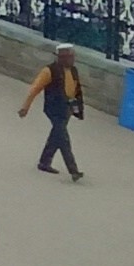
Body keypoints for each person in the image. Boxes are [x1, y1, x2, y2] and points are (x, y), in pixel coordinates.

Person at [21, 49, 87, 179]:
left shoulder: (73, 70)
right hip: (54, 109)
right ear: (61, 58)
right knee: (63, 139)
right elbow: (35, 88)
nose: (73, 60)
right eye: (70, 57)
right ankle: (73, 170)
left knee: (56, 136)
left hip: (66, 109)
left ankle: (44, 162)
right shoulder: (49, 71)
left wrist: (78, 109)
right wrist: (25, 107)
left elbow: (76, 89)